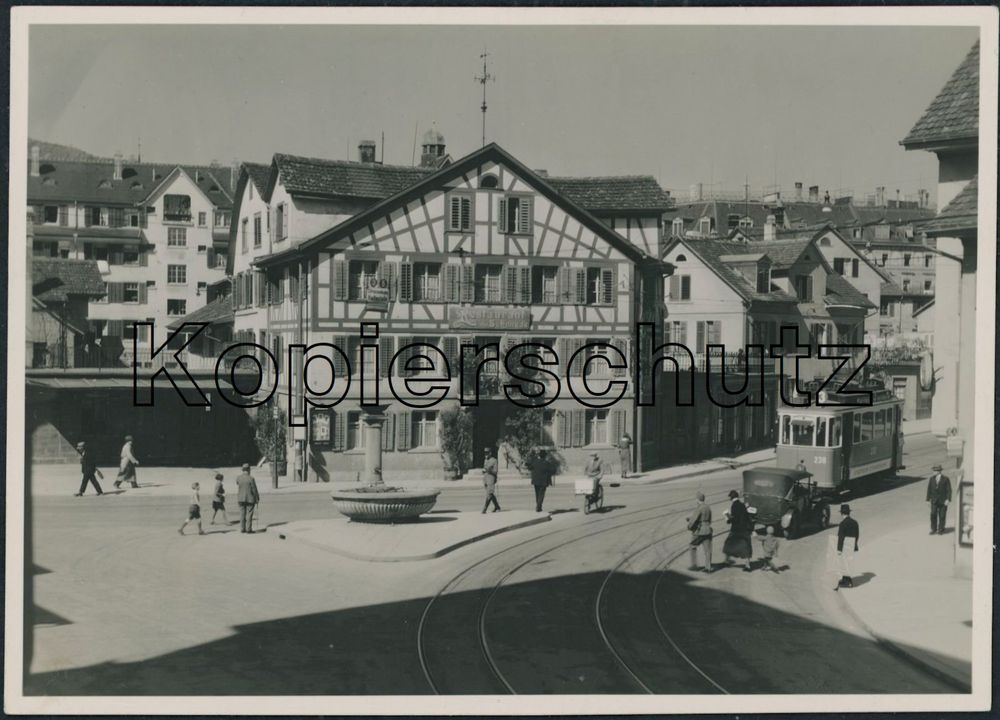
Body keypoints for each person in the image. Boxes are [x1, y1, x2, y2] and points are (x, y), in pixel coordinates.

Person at [722, 489, 754, 571]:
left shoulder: (734, 506)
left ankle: (726, 560)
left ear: (731, 498)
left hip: (736, 530)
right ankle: (748, 565)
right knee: (746, 547)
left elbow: (735, 519)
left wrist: (728, 518)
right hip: (745, 529)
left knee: (728, 543)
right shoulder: (742, 505)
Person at [687, 491, 713, 573]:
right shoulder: (708, 507)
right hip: (708, 529)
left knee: (692, 546)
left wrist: (689, 526)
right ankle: (708, 567)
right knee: (708, 550)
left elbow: (694, 520)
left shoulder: (699, 508)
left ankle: (694, 565)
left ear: (698, 499)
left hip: (700, 531)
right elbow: (709, 519)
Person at [835, 504, 860, 590]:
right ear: (849, 512)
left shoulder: (842, 524)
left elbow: (840, 537)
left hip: (844, 546)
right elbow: (857, 535)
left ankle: (848, 582)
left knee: (843, 563)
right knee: (848, 563)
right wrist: (854, 544)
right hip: (851, 545)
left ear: (842, 513)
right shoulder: (855, 522)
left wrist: (839, 549)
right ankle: (846, 580)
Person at [926, 464, 952, 535]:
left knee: (942, 515)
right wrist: (927, 500)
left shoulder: (945, 479)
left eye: (934, 471)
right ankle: (933, 529)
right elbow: (929, 489)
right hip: (934, 500)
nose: (933, 472)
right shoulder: (931, 479)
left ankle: (941, 529)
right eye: (933, 470)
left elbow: (949, 490)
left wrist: (948, 499)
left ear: (938, 471)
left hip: (943, 500)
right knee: (933, 514)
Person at [528, 447, 555, 513]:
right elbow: (552, 471)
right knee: (541, 494)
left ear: (539, 455)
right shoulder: (546, 463)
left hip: (536, 480)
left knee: (537, 494)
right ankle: (538, 506)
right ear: (545, 456)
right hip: (543, 481)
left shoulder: (535, 461)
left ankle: (539, 506)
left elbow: (530, 467)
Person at [236, 463, 260, 533]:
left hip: (240, 498)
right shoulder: (251, 478)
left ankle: (242, 528)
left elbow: (237, 483)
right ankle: (248, 529)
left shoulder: (238, 478)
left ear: (242, 470)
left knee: (242, 514)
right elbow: (254, 489)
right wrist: (257, 498)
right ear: (249, 469)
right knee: (249, 514)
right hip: (250, 499)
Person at [481, 447, 500, 513]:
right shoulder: (485, 460)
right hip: (486, 479)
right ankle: (497, 506)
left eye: (487, 453)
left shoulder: (494, 460)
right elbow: (485, 468)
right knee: (490, 494)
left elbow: (495, 471)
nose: (485, 454)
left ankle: (484, 509)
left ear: (490, 453)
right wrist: (484, 471)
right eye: (485, 453)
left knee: (489, 494)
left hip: (491, 479)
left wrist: (489, 470)